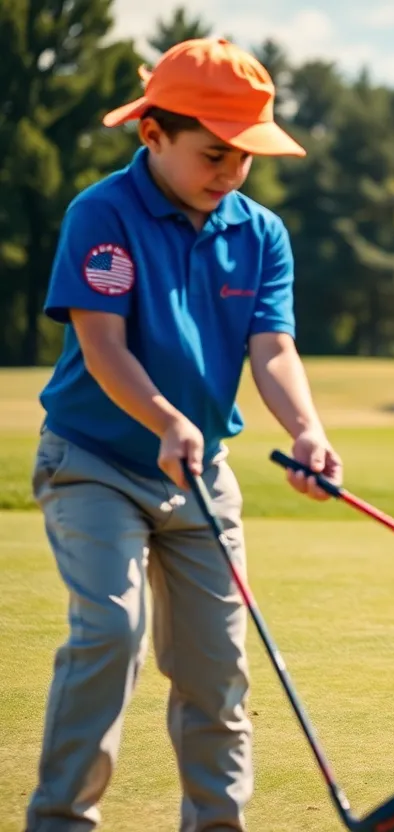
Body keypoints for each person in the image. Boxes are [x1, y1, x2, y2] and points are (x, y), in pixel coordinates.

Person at [25, 38, 341, 831]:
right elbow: (102, 344)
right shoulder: (102, 213)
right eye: (214, 154)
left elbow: (271, 347)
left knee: (217, 668)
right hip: (94, 463)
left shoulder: (261, 232)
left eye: (245, 157)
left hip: (201, 474)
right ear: (153, 136)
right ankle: (59, 821)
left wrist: (306, 431)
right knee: (111, 630)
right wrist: (166, 419)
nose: (231, 172)